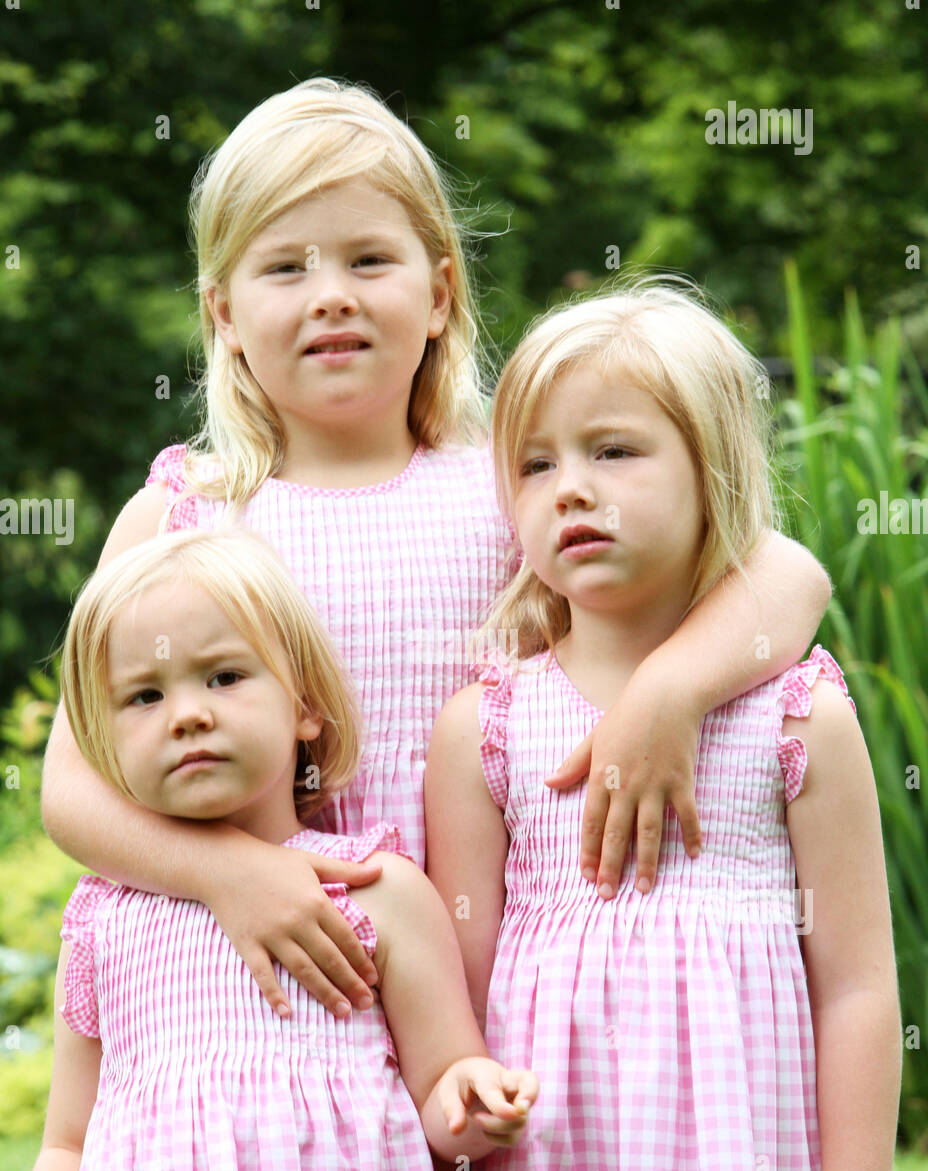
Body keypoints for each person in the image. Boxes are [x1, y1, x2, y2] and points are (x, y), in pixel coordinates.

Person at [38, 78, 834, 1033]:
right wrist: (227, 872)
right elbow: (69, 790)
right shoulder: (186, 517)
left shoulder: (510, 486)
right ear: (223, 318)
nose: (331, 295)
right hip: (277, 983)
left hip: (497, 980)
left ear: (439, 292)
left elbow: (789, 576)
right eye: (284, 268)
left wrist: (669, 693)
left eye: (370, 259)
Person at [424, 280, 901, 1171]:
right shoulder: (486, 731)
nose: (569, 488)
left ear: (712, 468)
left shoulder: (797, 714)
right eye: (536, 463)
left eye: (614, 450)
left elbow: (858, 988)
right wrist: (452, 1141)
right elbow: (456, 989)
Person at [11, 529, 536, 1171]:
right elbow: (66, 1140)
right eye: (145, 696)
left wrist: (470, 1101)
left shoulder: (375, 891)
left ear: (304, 708)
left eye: (223, 677)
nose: (186, 715)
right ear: (101, 741)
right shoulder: (102, 923)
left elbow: (445, 1085)